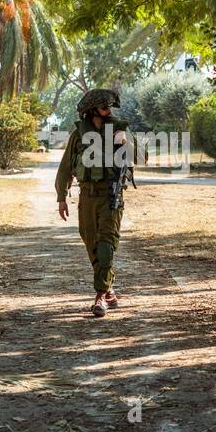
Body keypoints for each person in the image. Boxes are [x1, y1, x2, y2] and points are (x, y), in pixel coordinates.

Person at [54, 89, 130, 316]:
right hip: (86, 197)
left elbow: (139, 158)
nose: (110, 111)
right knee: (92, 244)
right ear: (92, 110)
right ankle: (109, 289)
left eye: (110, 108)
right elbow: (66, 167)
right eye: (105, 107)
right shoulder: (79, 134)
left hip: (110, 196)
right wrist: (61, 197)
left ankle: (99, 297)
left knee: (106, 245)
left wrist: (124, 145)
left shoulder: (118, 129)